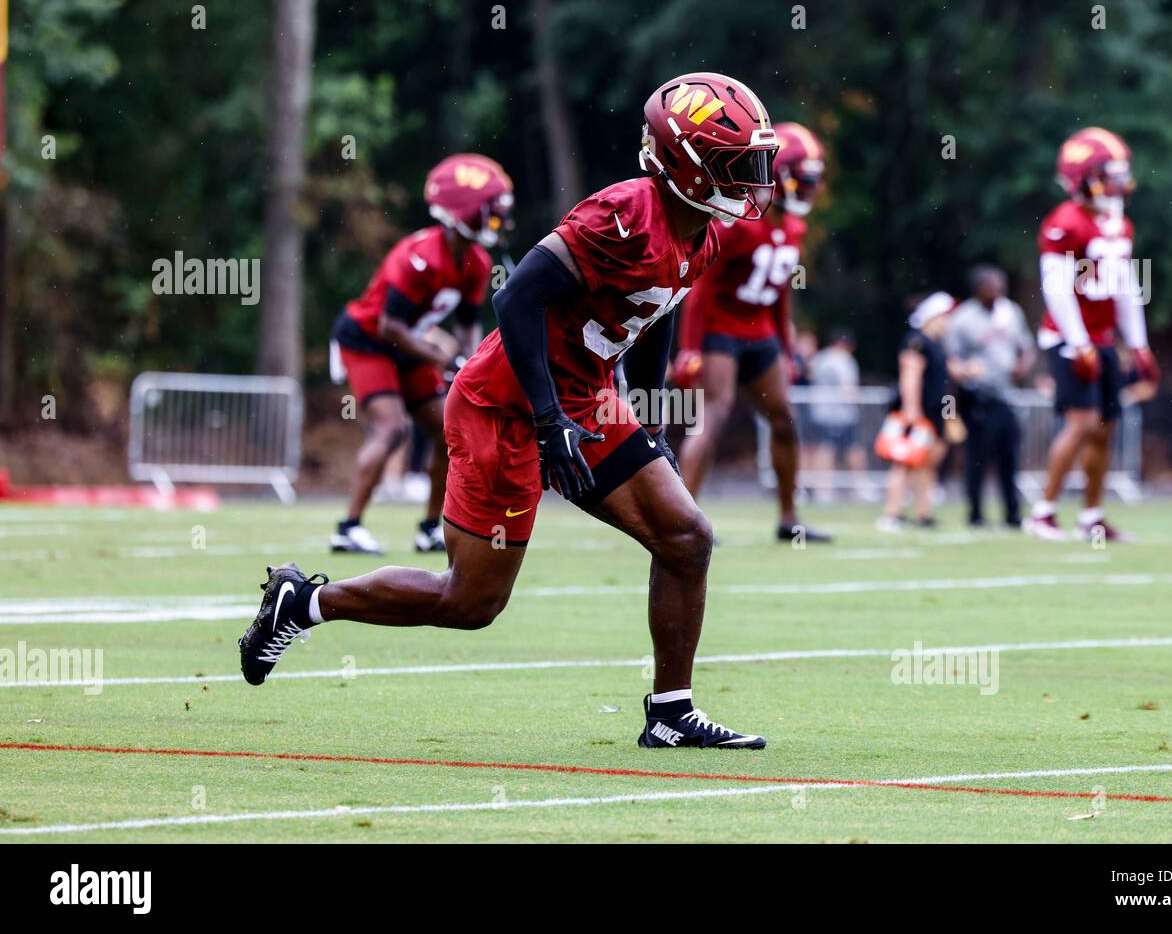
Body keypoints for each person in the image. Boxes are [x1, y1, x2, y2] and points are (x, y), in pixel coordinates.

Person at [239, 72, 778, 749]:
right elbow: (515, 299)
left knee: (686, 537)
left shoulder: (702, 232)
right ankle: (306, 602)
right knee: (471, 602)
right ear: (687, 167)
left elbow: (656, 316)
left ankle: (670, 712)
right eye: (739, 164)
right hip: (502, 403)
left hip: (585, 392)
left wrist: (652, 418)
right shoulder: (623, 213)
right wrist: (549, 421)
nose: (756, 180)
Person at [328, 154, 512, 554]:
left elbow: (466, 322)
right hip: (369, 340)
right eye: (490, 212)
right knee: (392, 428)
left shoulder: (477, 262)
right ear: (463, 211)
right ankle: (348, 527)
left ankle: (430, 527)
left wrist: (470, 359)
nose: (497, 220)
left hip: (411, 345)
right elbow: (388, 327)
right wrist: (443, 359)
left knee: (449, 433)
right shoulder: (421, 256)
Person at [672, 122, 831, 543]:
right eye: (803, 179)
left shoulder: (793, 228)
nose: (809, 190)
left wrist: (785, 345)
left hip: (761, 333)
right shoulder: (739, 222)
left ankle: (788, 517)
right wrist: (690, 350)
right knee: (713, 418)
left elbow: (781, 295)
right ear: (777, 175)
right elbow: (701, 288)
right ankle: (684, 520)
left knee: (784, 420)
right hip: (721, 331)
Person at [1024, 128, 1159, 542]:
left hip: (1100, 339)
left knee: (1104, 427)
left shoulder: (1119, 224)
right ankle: (1043, 512)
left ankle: (1091, 517)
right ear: (1081, 176)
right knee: (1081, 421)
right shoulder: (1064, 222)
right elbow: (1057, 290)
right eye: (1108, 173)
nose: (1117, 183)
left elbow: (1126, 288)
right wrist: (1079, 342)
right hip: (1069, 339)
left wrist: (1138, 343)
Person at [946, 265, 1034, 528]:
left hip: (1007, 395)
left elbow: (1026, 347)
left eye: (1001, 285)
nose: (999, 290)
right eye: (993, 286)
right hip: (978, 396)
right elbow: (952, 360)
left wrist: (1022, 366)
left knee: (1010, 458)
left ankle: (1012, 514)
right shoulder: (963, 318)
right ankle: (976, 514)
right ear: (979, 289)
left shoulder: (1010, 312)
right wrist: (964, 371)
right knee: (977, 459)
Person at [878, 292, 957, 531]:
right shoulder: (917, 341)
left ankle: (924, 514)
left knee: (927, 463)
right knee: (905, 462)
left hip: (934, 414)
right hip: (918, 414)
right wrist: (912, 412)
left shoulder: (936, 345)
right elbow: (910, 375)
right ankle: (891, 514)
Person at [805, 329, 865, 498]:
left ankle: (823, 488)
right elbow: (848, 387)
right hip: (842, 412)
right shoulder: (844, 360)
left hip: (820, 411)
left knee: (824, 448)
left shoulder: (819, 358)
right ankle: (859, 486)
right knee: (853, 449)